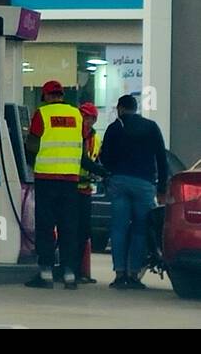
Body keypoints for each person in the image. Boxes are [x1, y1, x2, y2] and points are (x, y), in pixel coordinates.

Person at [98, 93, 171, 289]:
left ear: (121, 109)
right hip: (144, 184)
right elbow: (161, 159)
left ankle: (119, 274)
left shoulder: (115, 127)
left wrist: (111, 173)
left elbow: (104, 158)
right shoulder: (151, 127)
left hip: (119, 182)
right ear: (135, 108)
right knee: (140, 230)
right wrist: (162, 187)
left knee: (119, 228)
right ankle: (134, 275)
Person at [24, 80, 88, 289]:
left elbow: (32, 145)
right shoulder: (77, 115)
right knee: (68, 226)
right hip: (70, 180)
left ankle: (46, 273)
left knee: (45, 226)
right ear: (62, 95)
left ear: (45, 96)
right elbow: (80, 145)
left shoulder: (41, 114)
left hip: (46, 178)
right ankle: (70, 274)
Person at [75, 102, 102, 284]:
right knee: (71, 231)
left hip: (85, 190)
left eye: (89, 117)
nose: (86, 120)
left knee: (84, 232)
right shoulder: (74, 135)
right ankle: (72, 270)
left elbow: (94, 159)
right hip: (72, 189)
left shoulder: (95, 138)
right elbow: (82, 160)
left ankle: (80, 271)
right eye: (83, 116)